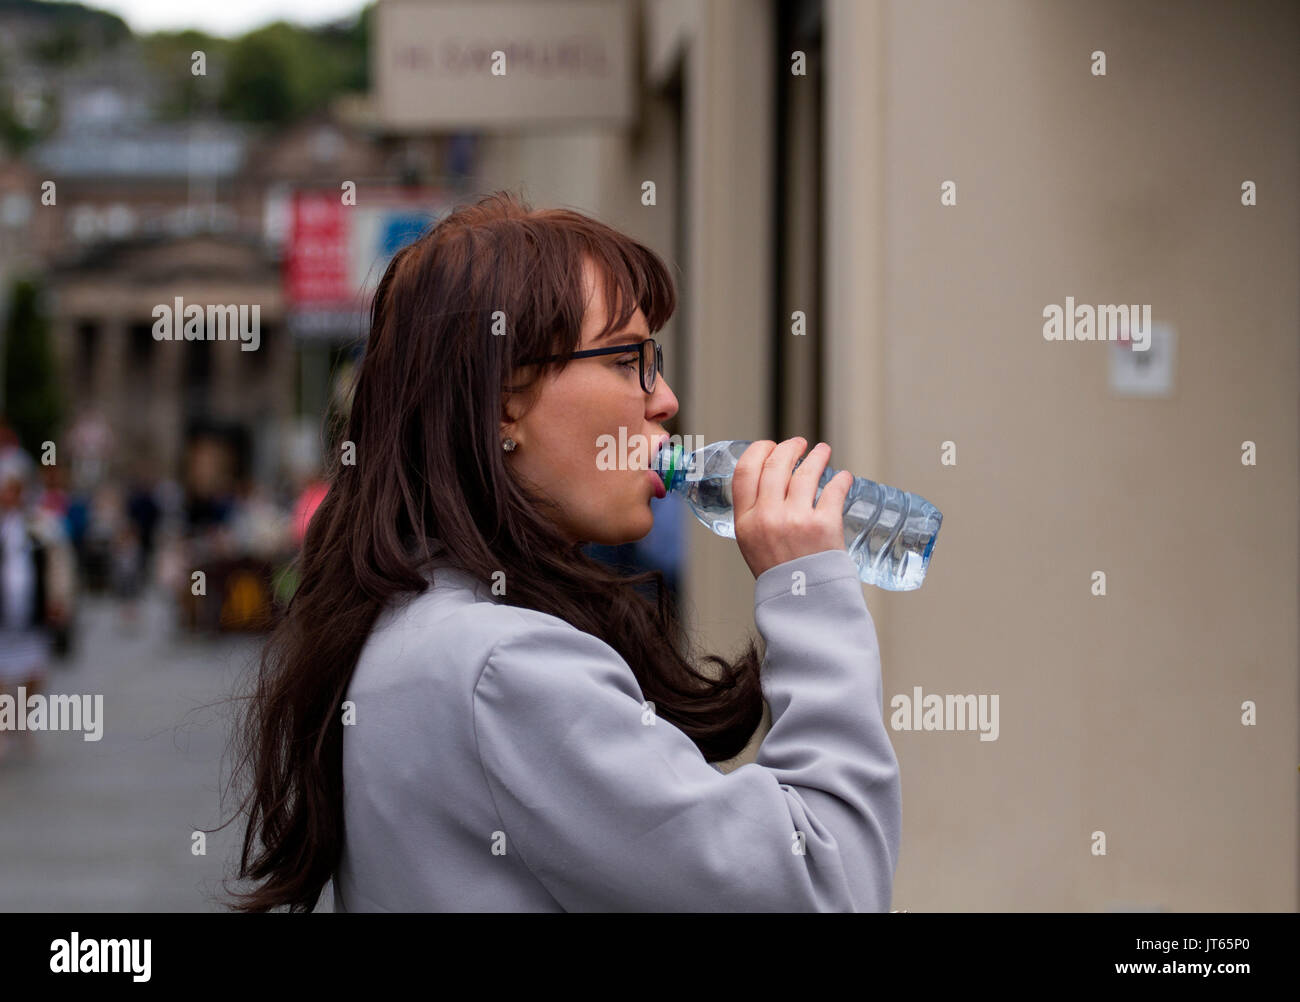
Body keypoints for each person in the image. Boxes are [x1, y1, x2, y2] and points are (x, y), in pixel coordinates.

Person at [223, 190, 900, 912]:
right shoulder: (505, 668)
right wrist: (810, 592)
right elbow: (828, 885)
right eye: (627, 361)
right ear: (505, 399)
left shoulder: (420, 622)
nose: (665, 399)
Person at [0, 450, 73, 762]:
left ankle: (20, 720)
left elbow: (59, 563)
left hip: (31, 610)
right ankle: (5, 728)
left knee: (34, 670)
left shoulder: (39, 524)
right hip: (3, 611)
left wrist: (59, 599)